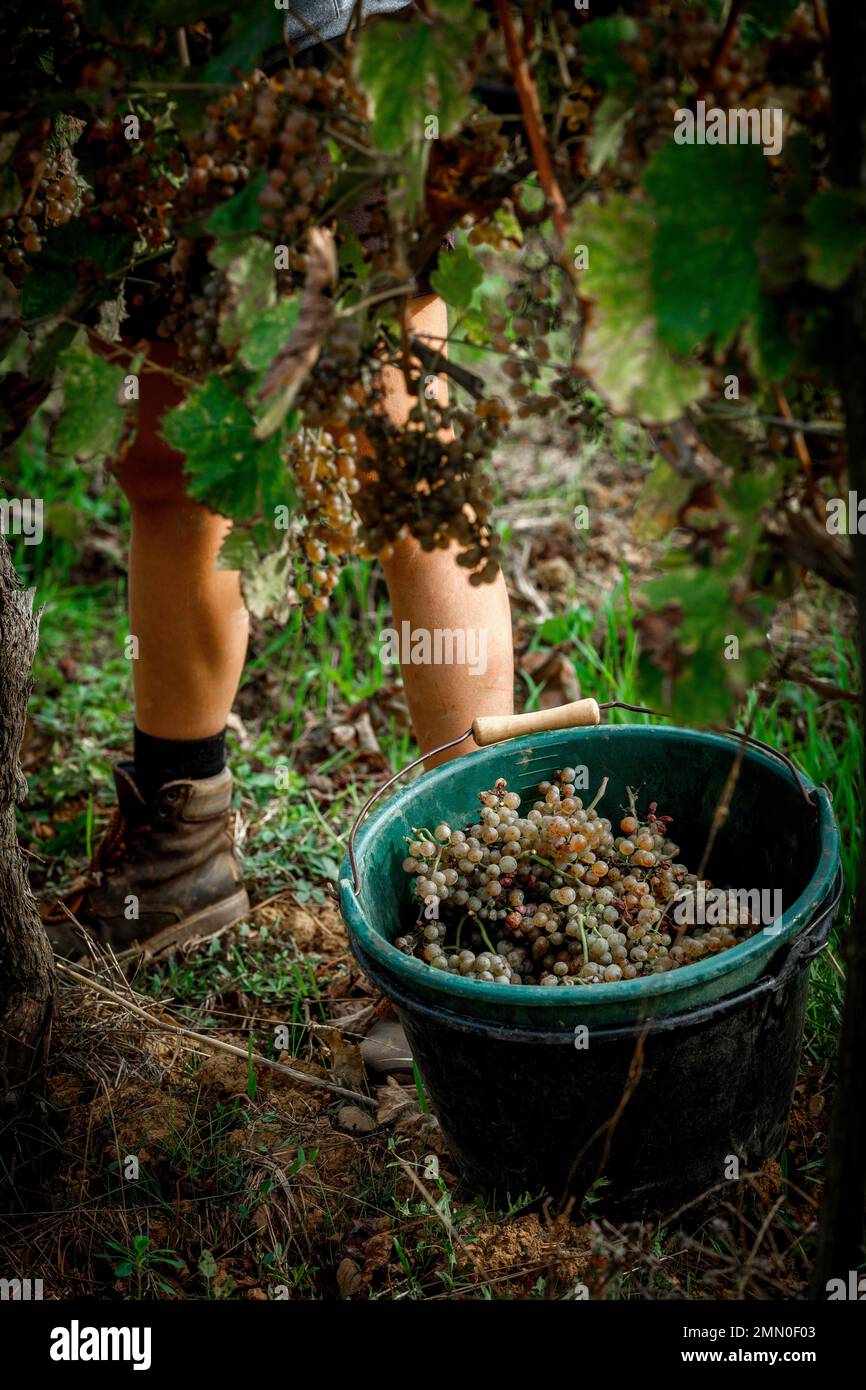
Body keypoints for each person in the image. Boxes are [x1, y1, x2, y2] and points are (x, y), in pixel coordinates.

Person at [44, 1, 515, 960]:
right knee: (171, 449)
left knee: (401, 444)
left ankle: (473, 906)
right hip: (163, 52)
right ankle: (181, 856)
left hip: (347, 42)